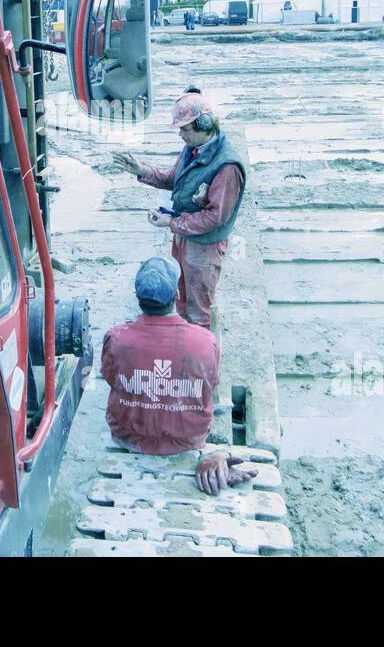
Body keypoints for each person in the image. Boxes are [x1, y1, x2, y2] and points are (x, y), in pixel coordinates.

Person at [100, 257, 256, 496]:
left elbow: (112, 379)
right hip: (186, 441)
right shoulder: (205, 341)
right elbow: (210, 385)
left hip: (128, 438)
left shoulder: (117, 338)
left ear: (138, 297)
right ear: (176, 295)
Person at [112, 88, 247, 331]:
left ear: (203, 125)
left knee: (200, 309)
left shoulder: (227, 167)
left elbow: (215, 217)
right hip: (185, 235)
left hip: (205, 246)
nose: (181, 135)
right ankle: (185, 342)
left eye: (184, 129)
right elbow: (174, 178)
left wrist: (171, 223)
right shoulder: (193, 149)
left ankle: (203, 355)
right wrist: (141, 170)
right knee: (181, 295)